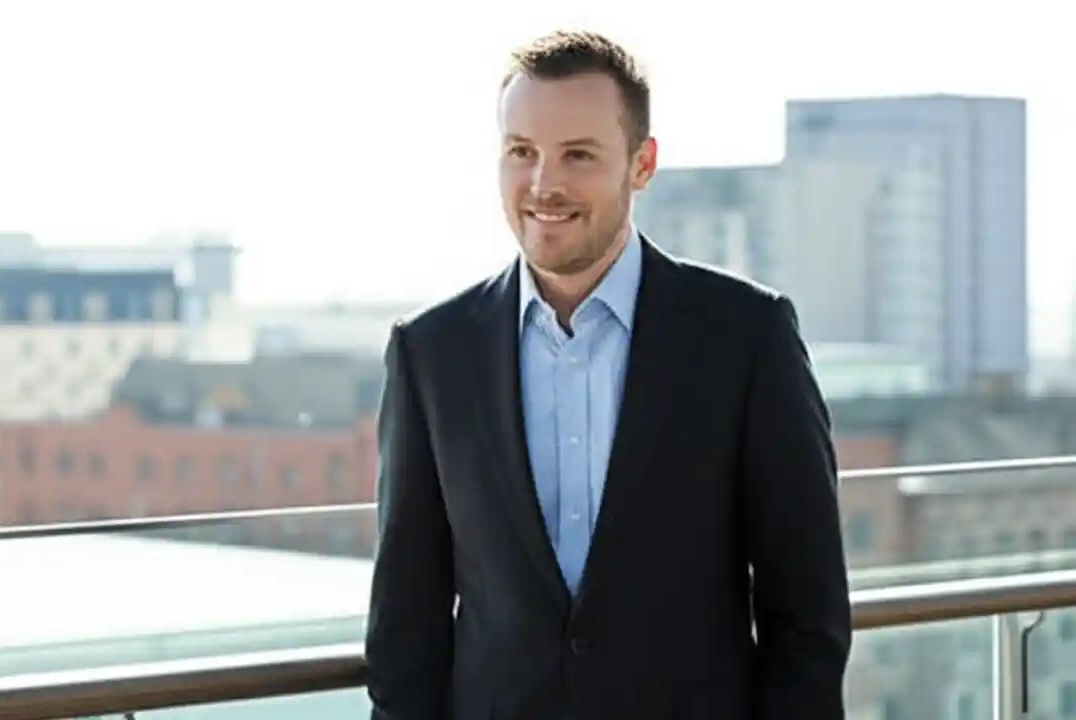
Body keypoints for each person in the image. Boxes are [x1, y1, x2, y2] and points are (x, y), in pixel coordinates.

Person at [365, 29, 851, 720]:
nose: (544, 185)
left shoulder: (745, 335)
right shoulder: (430, 353)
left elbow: (806, 611)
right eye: (521, 152)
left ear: (641, 164)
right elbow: (404, 622)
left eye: (578, 155)